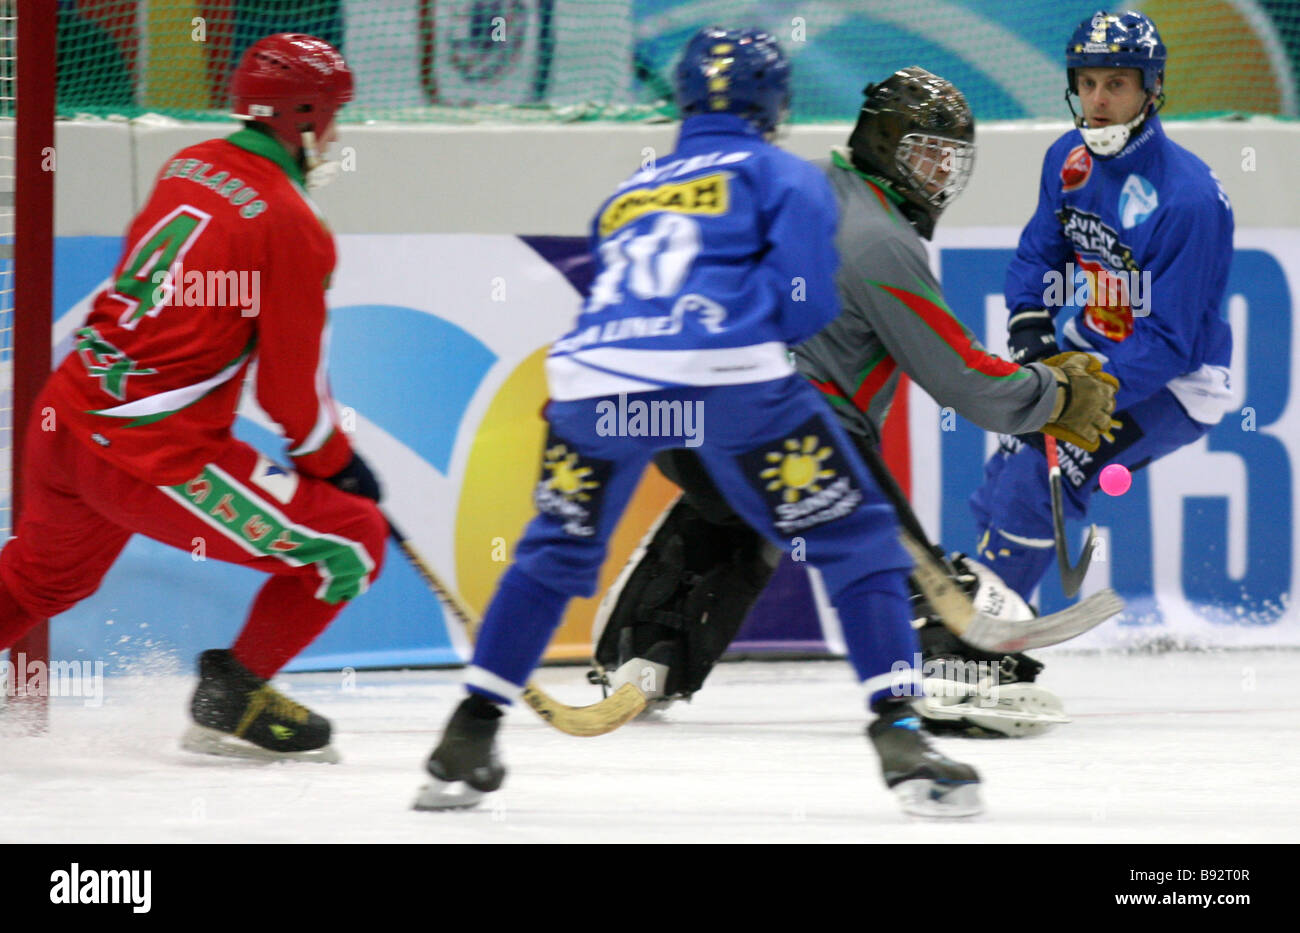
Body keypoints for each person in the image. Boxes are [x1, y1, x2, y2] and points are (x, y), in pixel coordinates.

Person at [417, 30, 1114, 818]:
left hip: (596, 388)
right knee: (858, 541)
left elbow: (614, 300)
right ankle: (901, 735)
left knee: (553, 555)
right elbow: (805, 306)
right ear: (775, 106)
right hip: (732, 387)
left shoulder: (629, 193)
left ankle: (468, 734)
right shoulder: (791, 178)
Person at [590, 67, 1121, 738]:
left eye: (950, 160)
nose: (940, 175)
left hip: (678, 416)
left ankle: (646, 646)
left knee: (731, 518)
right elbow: (964, 378)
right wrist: (1059, 396)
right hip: (789, 426)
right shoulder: (881, 239)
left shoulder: (801, 184)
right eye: (927, 154)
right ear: (886, 144)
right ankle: (948, 663)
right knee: (882, 546)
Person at [0, 34, 385, 762]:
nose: (336, 130)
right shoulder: (292, 224)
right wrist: (334, 461)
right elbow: (289, 391)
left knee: (39, 581)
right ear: (304, 119)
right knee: (351, 543)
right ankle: (231, 700)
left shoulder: (192, 164)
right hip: (150, 454)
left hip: (66, 418)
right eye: (333, 113)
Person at [969, 10, 1234, 607]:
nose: (1097, 100)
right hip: (1094, 353)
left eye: (1116, 83)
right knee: (1001, 476)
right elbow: (1041, 250)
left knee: (1041, 475)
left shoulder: (1188, 199)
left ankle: (990, 642)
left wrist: (1075, 390)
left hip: (1176, 382)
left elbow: (1169, 342)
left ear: (1151, 88)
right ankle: (990, 601)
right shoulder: (1070, 157)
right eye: (1087, 83)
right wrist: (1030, 320)